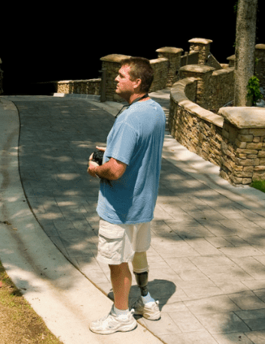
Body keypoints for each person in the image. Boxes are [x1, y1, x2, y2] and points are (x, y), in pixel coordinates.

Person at [86, 57, 165, 334]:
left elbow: (116, 170)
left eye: (122, 75)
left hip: (120, 207)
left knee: (117, 263)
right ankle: (147, 302)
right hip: (143, 203)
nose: (116, 79)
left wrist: (96, 168)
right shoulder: (155, 110)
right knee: (137, 252)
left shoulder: (129, 119)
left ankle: (121, 315)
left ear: (137, 82)